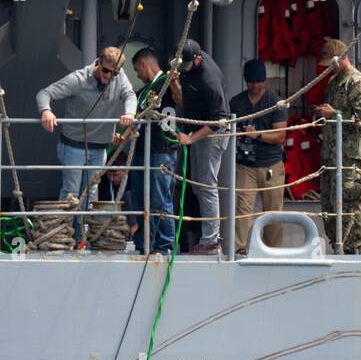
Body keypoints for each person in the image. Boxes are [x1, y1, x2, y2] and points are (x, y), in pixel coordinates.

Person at [37, 47, 136, 247]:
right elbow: (44, 93)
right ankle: (62, 238)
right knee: (71, 193)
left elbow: (130, 95)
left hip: (99, 147)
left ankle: (83, 239)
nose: (110, 76)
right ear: (98, 63)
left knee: (90, 194)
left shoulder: (119, 77)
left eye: (114, 73)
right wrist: (46, 111)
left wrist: (130, 113)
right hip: (73, 145)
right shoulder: (78, 80)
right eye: (106, 71)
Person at [109, 48, 180, 255]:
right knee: (140, 198)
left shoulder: (166, 83)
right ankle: (144, 242)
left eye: (137, 69)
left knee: (159, 199)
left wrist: (174, 81)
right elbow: (136, 121)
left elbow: (181, 101)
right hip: (141, 151)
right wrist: (122, 137)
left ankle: (164, 245)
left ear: (144, 65)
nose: (137, 74)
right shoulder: (142, 93)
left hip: (161, 149)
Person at [313, 39, 361, 254]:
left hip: (349, 154)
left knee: (347, 203)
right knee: (329, 205)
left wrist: (335, 114)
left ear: (343, 57)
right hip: (331, 153)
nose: (329, 66)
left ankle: (352, 250)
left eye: (332, 62)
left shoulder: (358, 82)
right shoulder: (333, 82)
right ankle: (337, 245)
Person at [168, 39, 228, 255]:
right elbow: (185, 102)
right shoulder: (187, 66)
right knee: (197, 186)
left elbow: (219, 120)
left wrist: (191, 139)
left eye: (184, 66)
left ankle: (211, 241)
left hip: (212, 133)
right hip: (196, 127)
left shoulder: (209, 79)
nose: (182, 69)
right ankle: (206, 237)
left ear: (198, 59)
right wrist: (175, 81)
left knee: (206, 185)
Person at [229, 59, 289, 253]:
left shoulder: (275, 102)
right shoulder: (236, 102)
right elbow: (229, 130)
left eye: (258, 81)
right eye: (251, 81)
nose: (255, 86)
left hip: (271, 164)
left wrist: (257, 135)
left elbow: (281, 135)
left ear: (265, 80)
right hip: (245, 164)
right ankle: (240, 250)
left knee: (272, 211)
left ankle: (273, 252)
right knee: (243, 210)